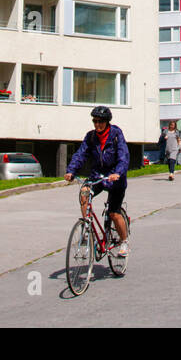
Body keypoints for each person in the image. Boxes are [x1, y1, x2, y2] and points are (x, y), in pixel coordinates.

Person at [65, 106, 131, 258]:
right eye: (95, 121)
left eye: (100, 121)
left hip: (115, 178)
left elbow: (123, 156)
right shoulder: (91, 137)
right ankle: (86, 227)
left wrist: (117, 173)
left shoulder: (116, 134)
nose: (97, 124)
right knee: (84, 193)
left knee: (114, 213)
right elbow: (80, 154)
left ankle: (124, 241)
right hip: (98, 176)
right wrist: (71, 171)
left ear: (107, 122)